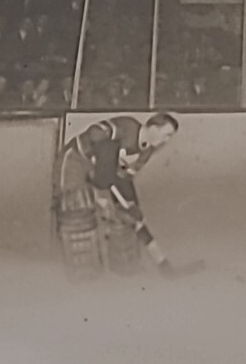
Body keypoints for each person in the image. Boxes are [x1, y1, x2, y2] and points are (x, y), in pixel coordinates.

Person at [54, 113, 180, 275]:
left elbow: (124, 178)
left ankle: (124, 265)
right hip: (76, 162)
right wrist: (106, 157)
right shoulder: (128, 127)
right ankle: (82, 270)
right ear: (154, 128)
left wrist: (132, 205)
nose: (166, 140)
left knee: (125, 215)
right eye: (166, 134)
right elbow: (95, 132)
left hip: (100, 173)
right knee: (77, 208)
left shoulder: (146, 152)